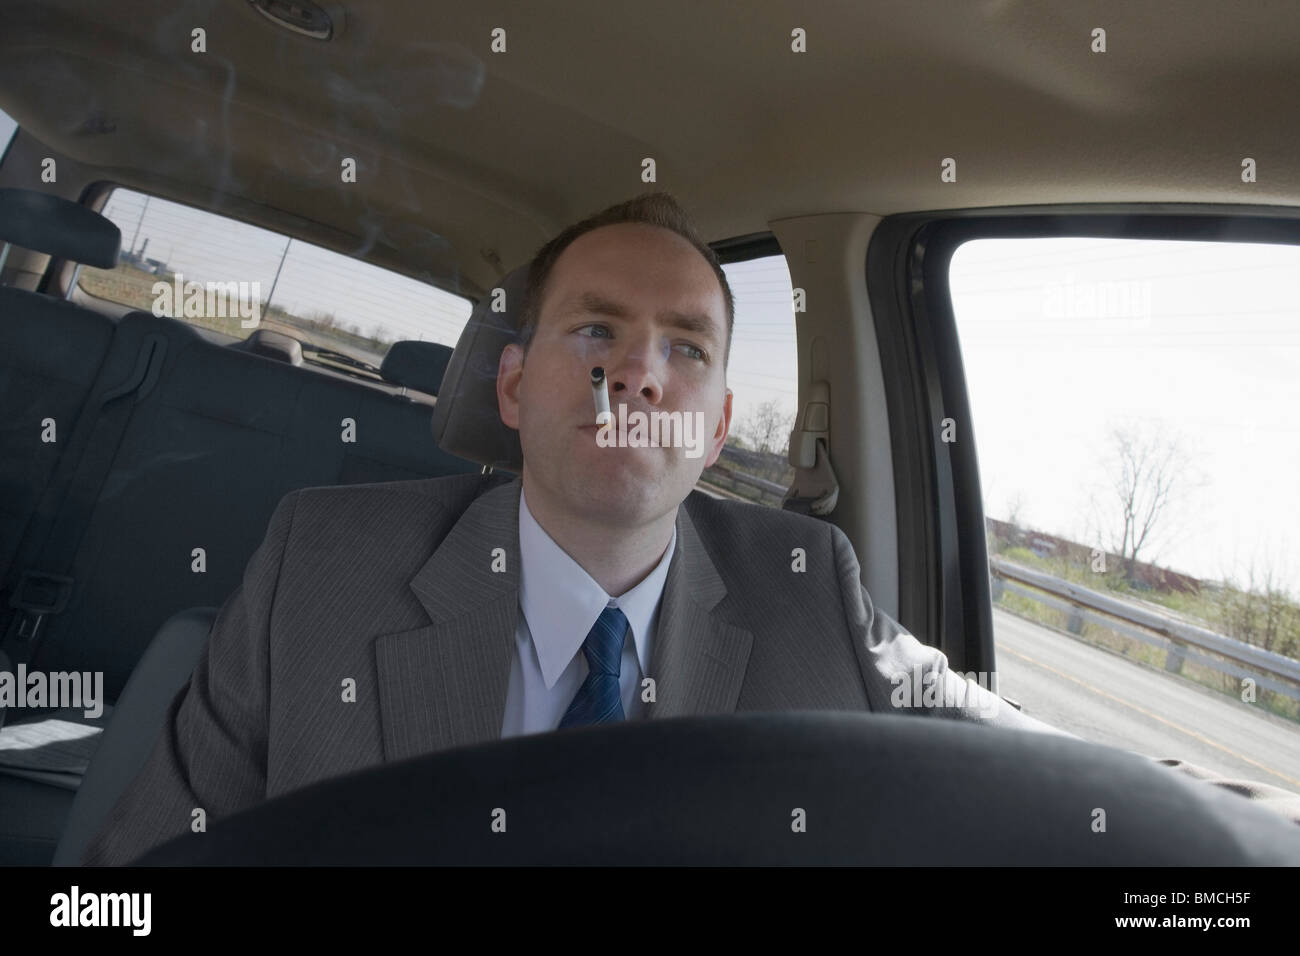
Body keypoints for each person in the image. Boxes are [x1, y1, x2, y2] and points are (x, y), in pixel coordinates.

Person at [77, 192, 1135, 866]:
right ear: (511, 384)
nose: (636, 372)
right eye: (594, 330)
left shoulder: (811, 583)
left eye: (684, 345)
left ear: (717, 426)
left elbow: (1037, 767)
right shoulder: (325, 557)